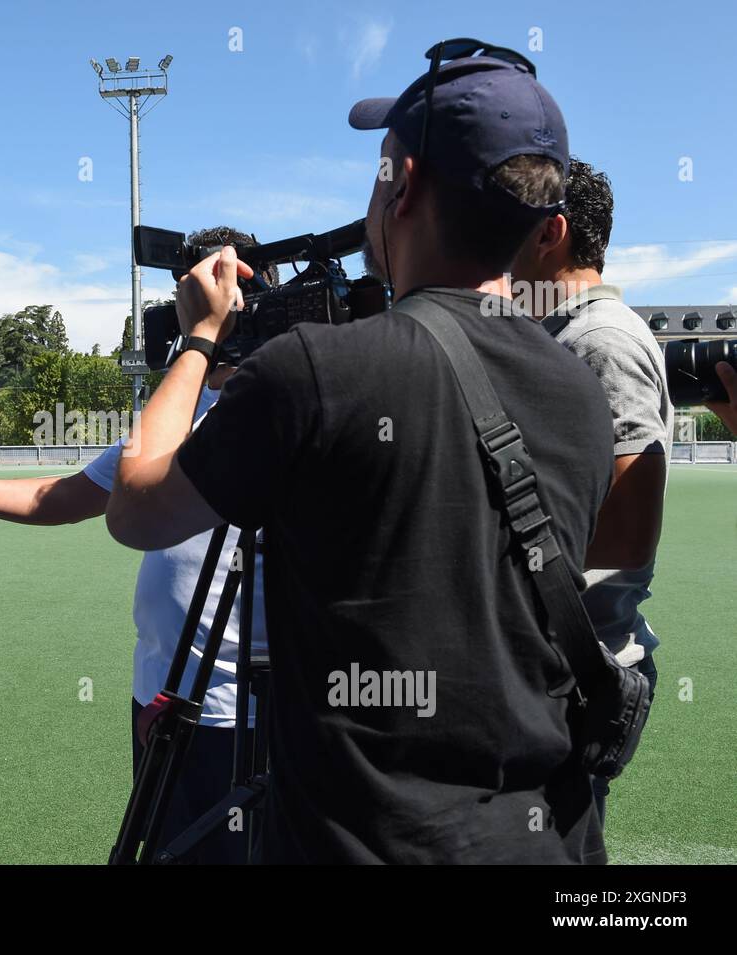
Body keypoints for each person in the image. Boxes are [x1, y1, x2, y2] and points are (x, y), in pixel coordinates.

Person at [106, 40, 616, 863]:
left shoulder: (318, 370)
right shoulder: (579, 393)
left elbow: (136, 506)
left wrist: (199, 339)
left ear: (403, 184)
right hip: (535, 837)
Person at [0, 228, 273, 863]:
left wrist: (199, 342)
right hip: (168, 698)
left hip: (261, 711)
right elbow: (69, 496)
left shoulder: (301, 401)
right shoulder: (178, 407)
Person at [510, 159, 672, 821]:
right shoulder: (563, 334)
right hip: (546, 672)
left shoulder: (598, 341)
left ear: (551, 233)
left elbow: (627, 535)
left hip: (569, 682)